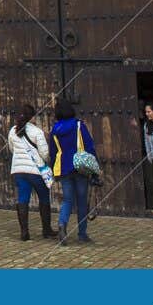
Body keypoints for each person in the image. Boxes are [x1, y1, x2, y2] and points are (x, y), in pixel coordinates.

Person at [49, 99, 97, 244]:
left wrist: (54, 169)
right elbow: (89, 146)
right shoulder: (78, 125)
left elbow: (53, 152)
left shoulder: (55, 129)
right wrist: (94, 168)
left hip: (64, 167)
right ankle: (82, 234)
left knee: (68, 199)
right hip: (80, 166)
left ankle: (62, 225)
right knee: (81, 201)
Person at [7, 103, 55, 241]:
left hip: (18, 170)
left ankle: (24, 232)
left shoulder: (13, 131)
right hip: (36, 171)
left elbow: (12, 149)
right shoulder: (37, 132)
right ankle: (46, 230)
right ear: (32, 117)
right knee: (44, 197)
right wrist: (47, 161)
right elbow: (44, 153)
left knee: (23, 199)